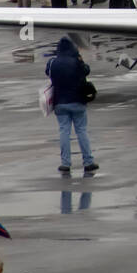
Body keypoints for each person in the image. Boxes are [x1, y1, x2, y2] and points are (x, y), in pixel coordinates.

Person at [47, 37, 97, 174]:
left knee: (64, 132)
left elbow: (48, 73)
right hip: (77, 101)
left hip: (60, 103)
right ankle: (88, 161)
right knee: (81, 131)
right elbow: (86, 70)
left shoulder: (53, 62)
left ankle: (65, 163)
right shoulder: (76, 61)